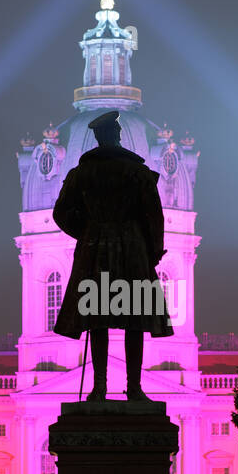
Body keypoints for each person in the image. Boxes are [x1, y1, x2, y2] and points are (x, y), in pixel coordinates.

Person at [51, 110, 172, 401]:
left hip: (97, 249)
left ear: (97, 138)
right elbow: (155, 217)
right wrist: (154, 250)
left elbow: (60, 213)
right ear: (117, 136)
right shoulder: (139, 173)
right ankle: (134, 388)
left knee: (97, 320)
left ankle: (100, 387)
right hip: (134, 249)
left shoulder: (82, 173)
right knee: (136, 321)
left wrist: (87, 231)